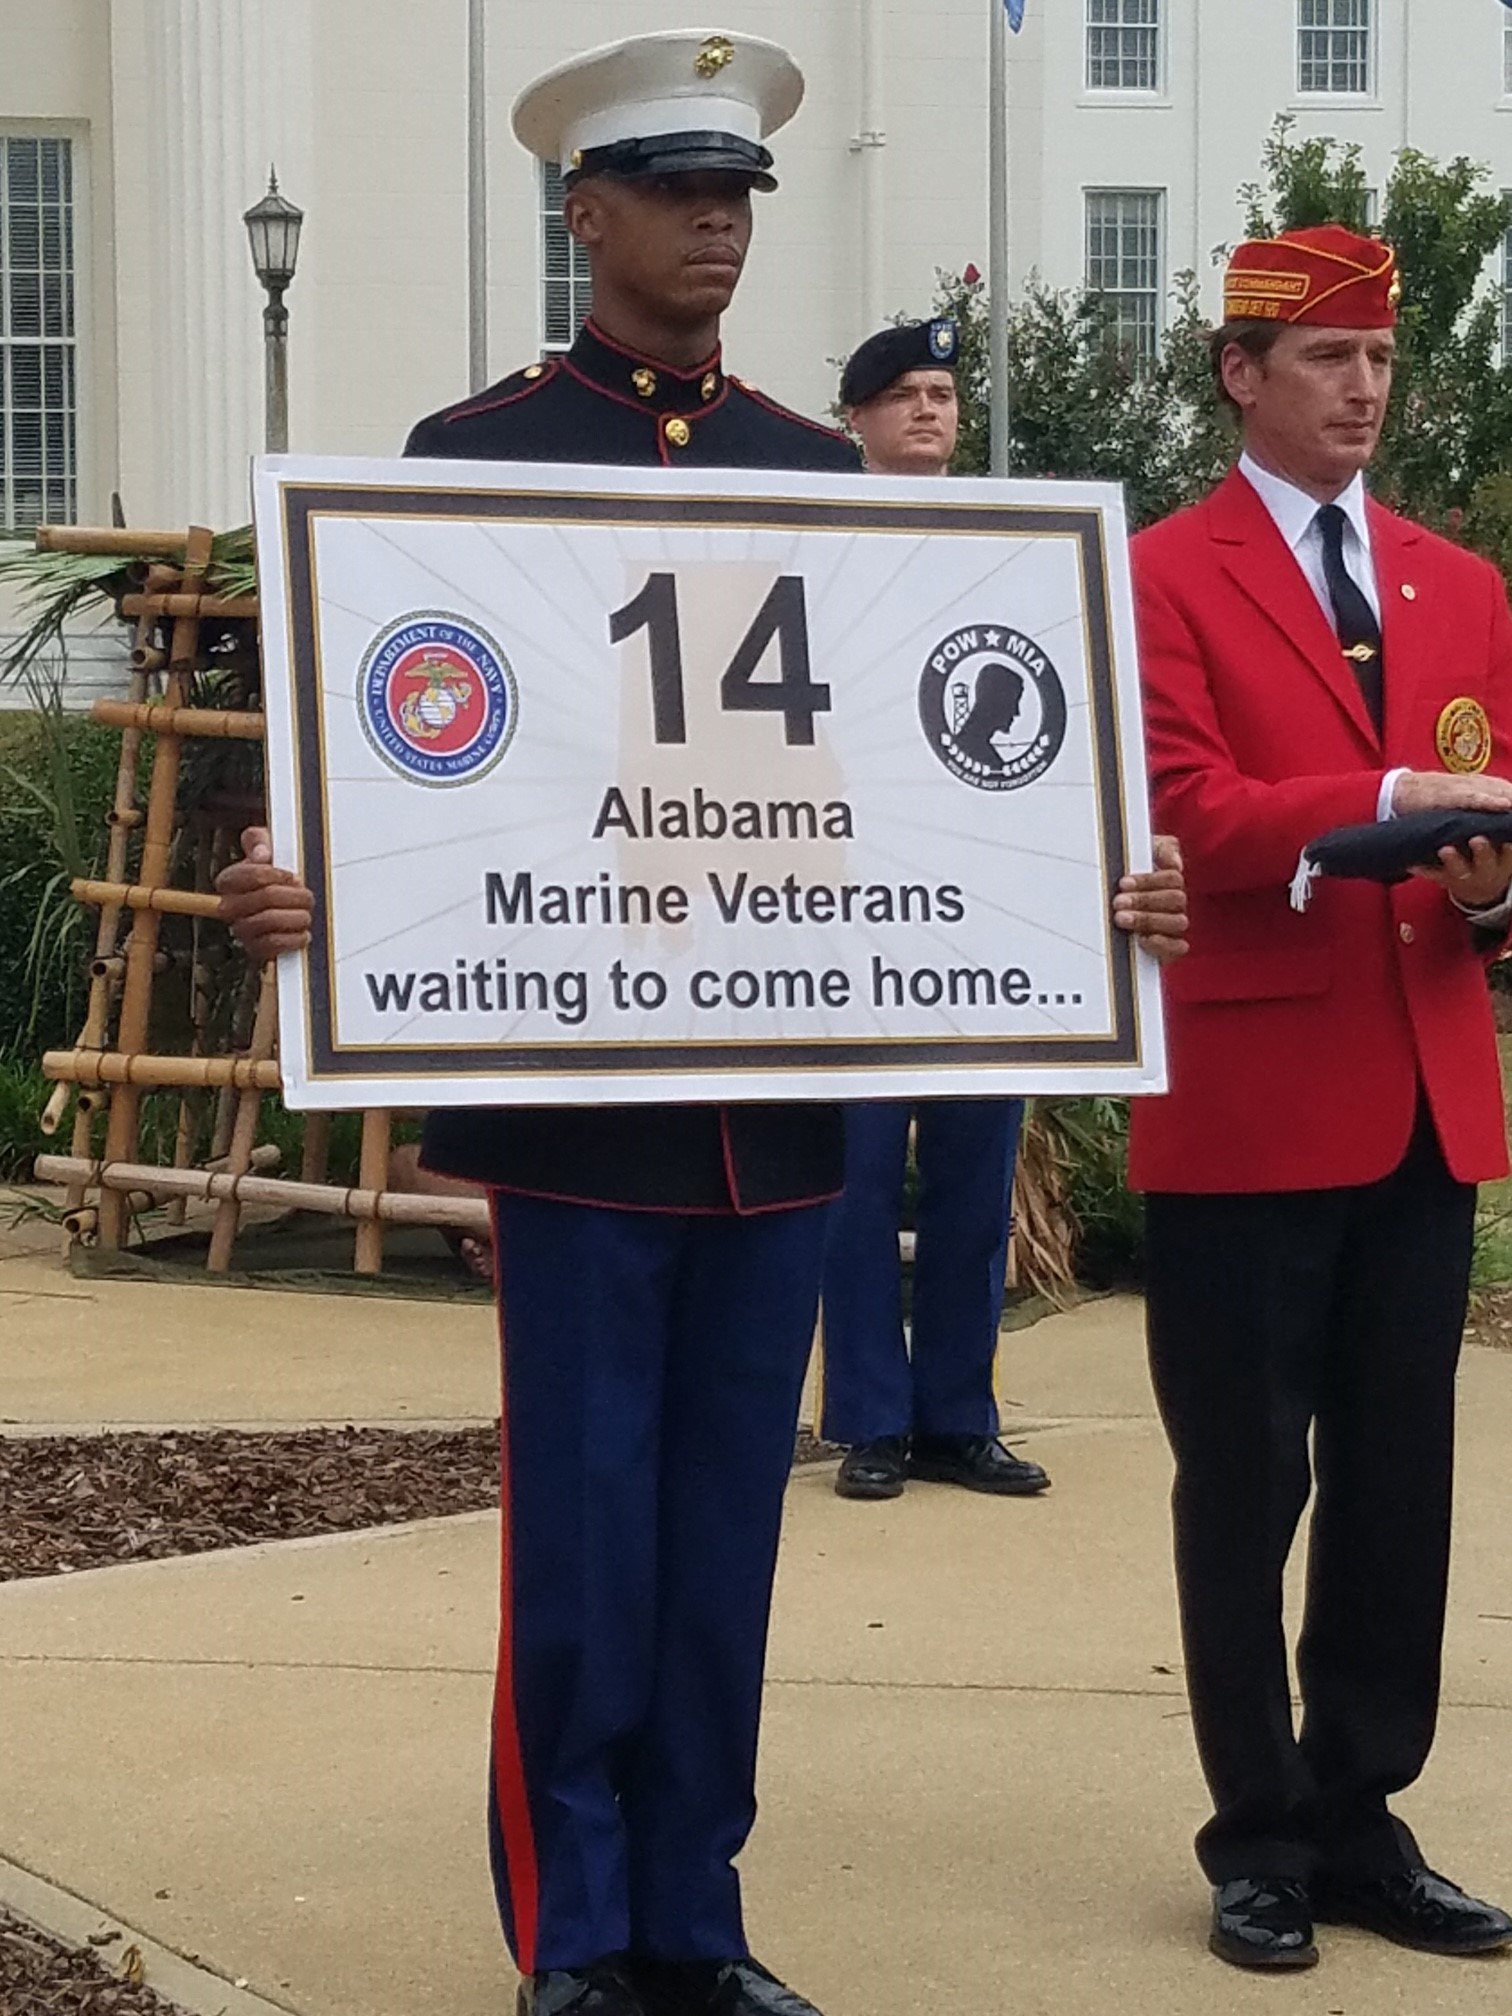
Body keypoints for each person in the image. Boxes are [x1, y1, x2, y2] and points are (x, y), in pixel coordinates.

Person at [221, 37, 1188, 2014]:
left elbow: (923, 792)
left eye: (739, 193)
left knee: (727, 1549)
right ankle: (576, 1939)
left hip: (776, 1105)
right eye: (676, 192)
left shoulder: (830, 478)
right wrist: (302, 890)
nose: (718, 224)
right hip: (582, 1108)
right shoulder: (465, 457)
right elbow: (404, 756)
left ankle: (698, 1918)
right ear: (585, 216)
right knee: (584, 1545)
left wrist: (1085, 896)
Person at [1129, 223, 1512, 1972]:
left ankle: (1362, 1816)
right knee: (1240, 1485)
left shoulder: (1461, 583)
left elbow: (1487, 824)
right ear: (1240, 375)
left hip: (1423, 1094)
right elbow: (1187, 812)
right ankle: (1256, 1832)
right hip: (1245, 1092)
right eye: (1322, 360)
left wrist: (1493, 883)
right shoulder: (1157, 576)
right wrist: (1390, 793)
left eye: (1377, 359)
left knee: (1396, 1483)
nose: (1360, 389)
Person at [818, 320, 1040, 1504]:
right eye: (902, 395)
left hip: (974, 910)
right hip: (847, 907)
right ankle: (869, 1420)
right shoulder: (815, 543)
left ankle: (959, 1412)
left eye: (945, 394)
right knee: (854, 1180)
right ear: (856, 418)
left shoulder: (1008, 548)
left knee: (973, 1172)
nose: (929, 413)